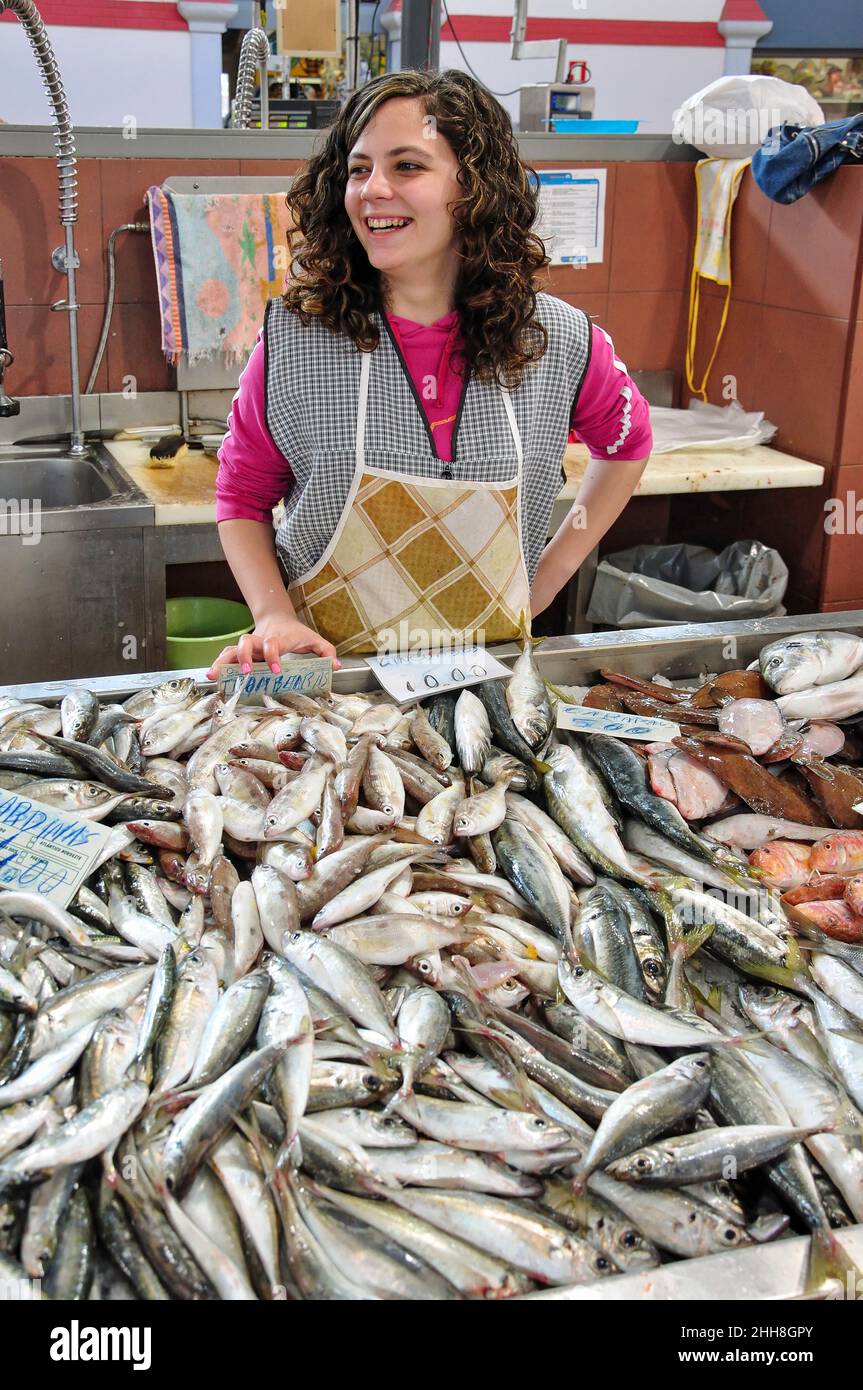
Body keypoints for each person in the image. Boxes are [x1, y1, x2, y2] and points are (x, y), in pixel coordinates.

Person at [208, 68, 651, 678]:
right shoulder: (295, 338)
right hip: (333, 690)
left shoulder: (559, 339)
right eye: (359, 169)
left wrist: (545, 579)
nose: (372, 190)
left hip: (488, 689)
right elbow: (241, 495)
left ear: (474, 188)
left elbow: (628, 442)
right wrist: (272, 615)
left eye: (407, 166)